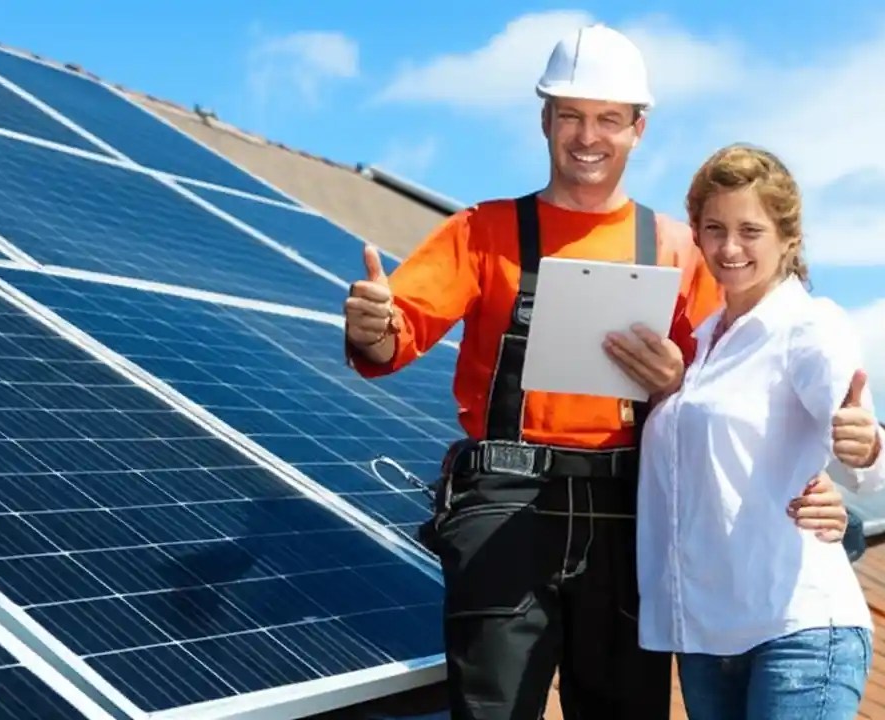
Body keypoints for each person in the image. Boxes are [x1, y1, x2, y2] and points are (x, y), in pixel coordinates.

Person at [342, 23, 855, 720]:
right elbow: (392, 339)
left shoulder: (681, 250)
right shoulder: (481, 232)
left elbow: (747, 385)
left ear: (638, 129)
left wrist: (812, 472)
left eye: (609, 119)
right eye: (572, 116)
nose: (589, 136)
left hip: (631, 518)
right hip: (505, 509)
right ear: (545, 120)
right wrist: (373, 328)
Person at [635, 143, 885, 719]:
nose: (729, 247)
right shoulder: (698, 345)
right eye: (714, 228)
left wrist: (864, 446)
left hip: (796, 631)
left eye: (750, 229)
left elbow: (861, 445)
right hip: (706, 640)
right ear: (696, 236)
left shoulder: (808, 325)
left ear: (788, 238)